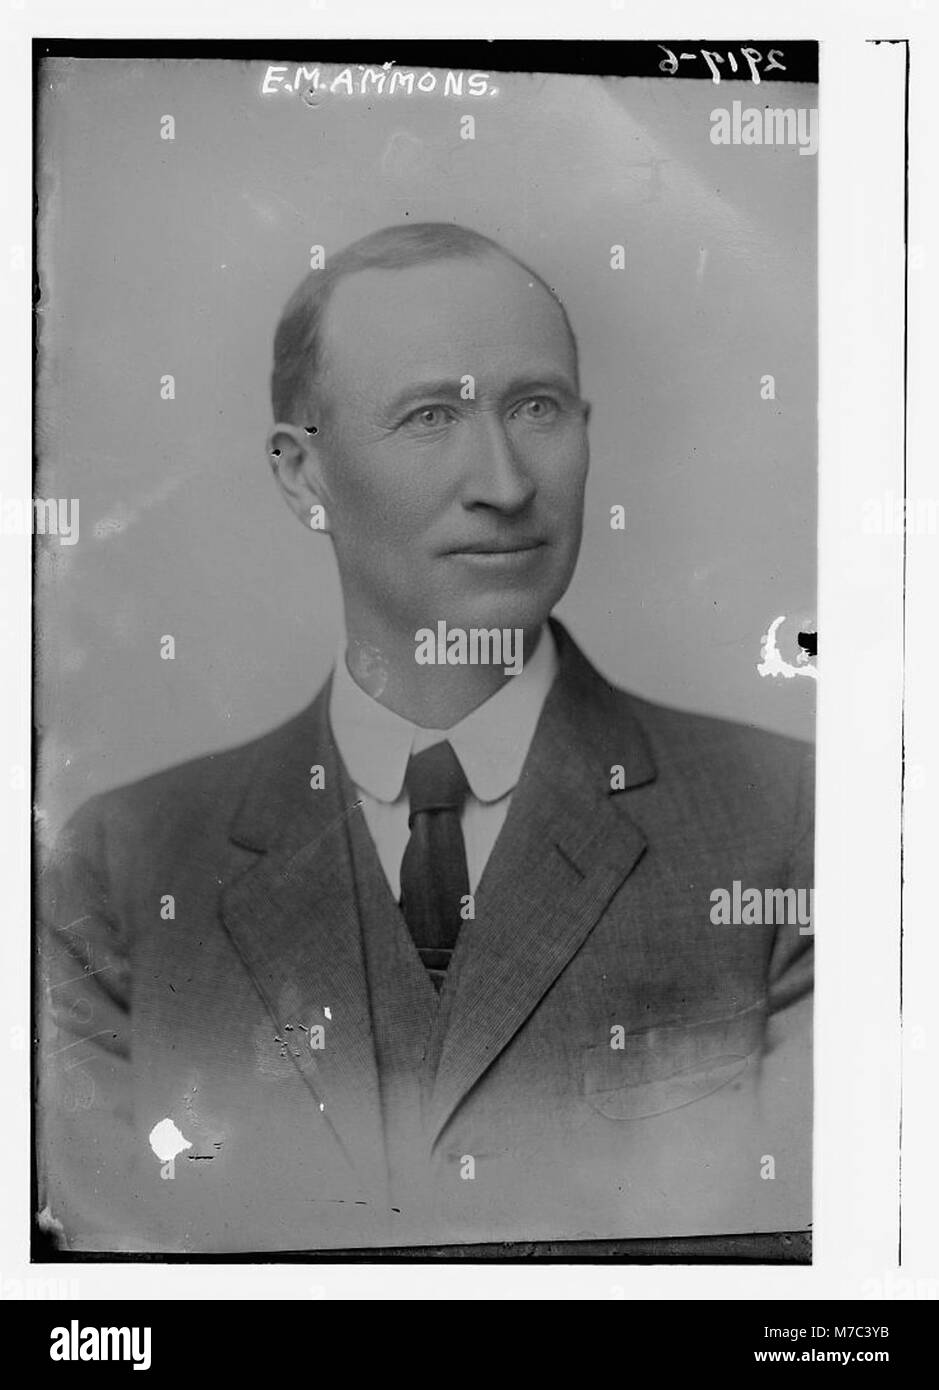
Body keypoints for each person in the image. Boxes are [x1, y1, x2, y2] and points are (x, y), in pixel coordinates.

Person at [37, 222, 813, 1254]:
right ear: (302, 477)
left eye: (535, 407)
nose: (503, 481)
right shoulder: (121, 862)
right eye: (429, 416)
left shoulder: (790, 815)